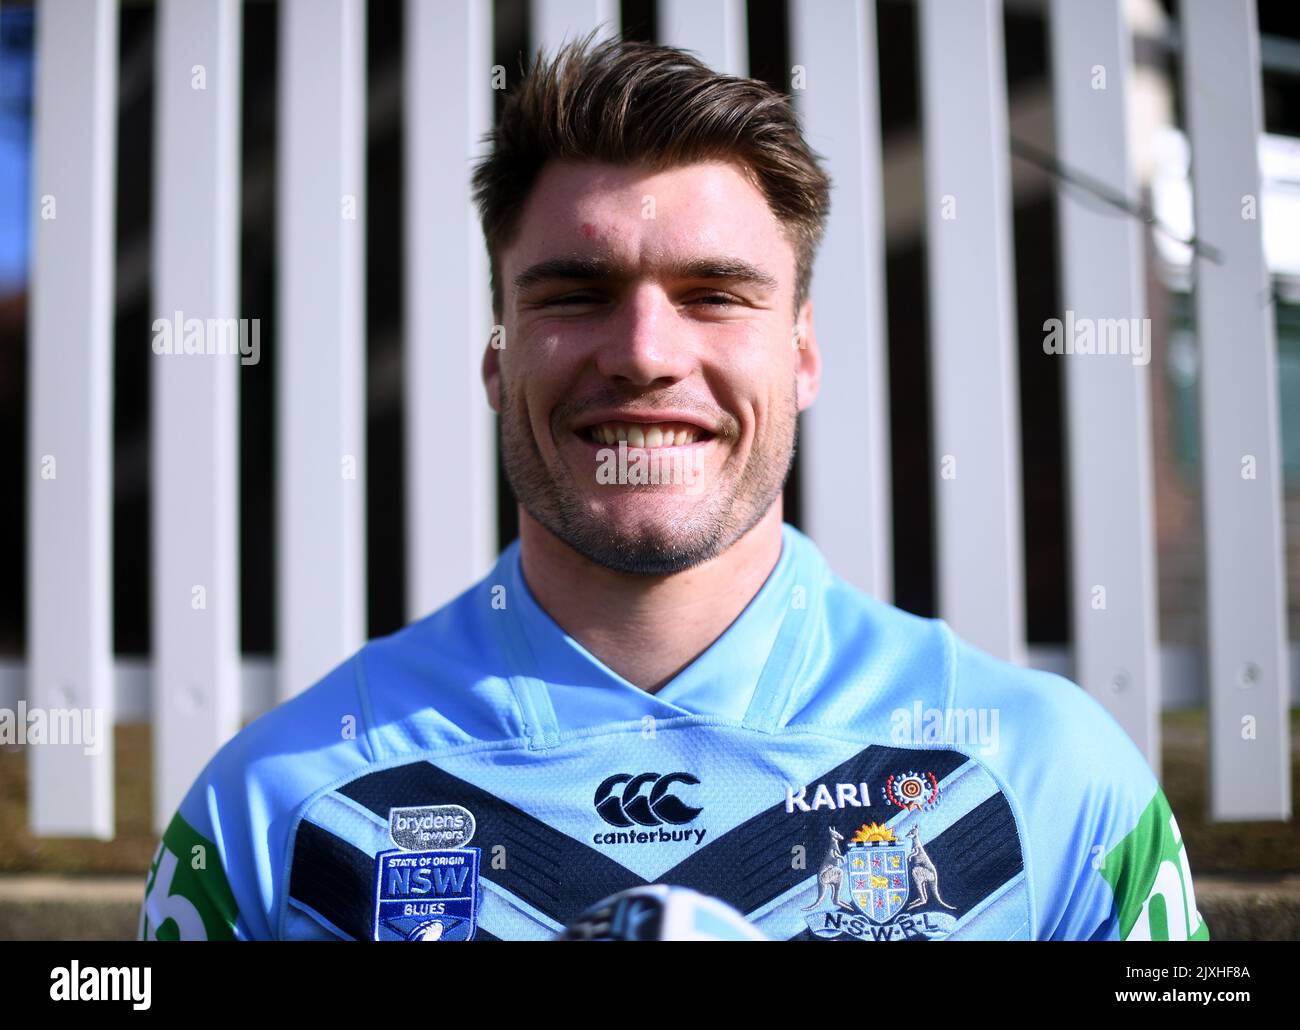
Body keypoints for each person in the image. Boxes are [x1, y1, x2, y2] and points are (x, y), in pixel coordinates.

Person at [139, 32, 1208, 942]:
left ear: (801, 357)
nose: (645, 353)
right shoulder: (274, 811)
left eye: (712, 295)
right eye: (576, 293)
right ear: (494, 361)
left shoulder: (1047, 781)